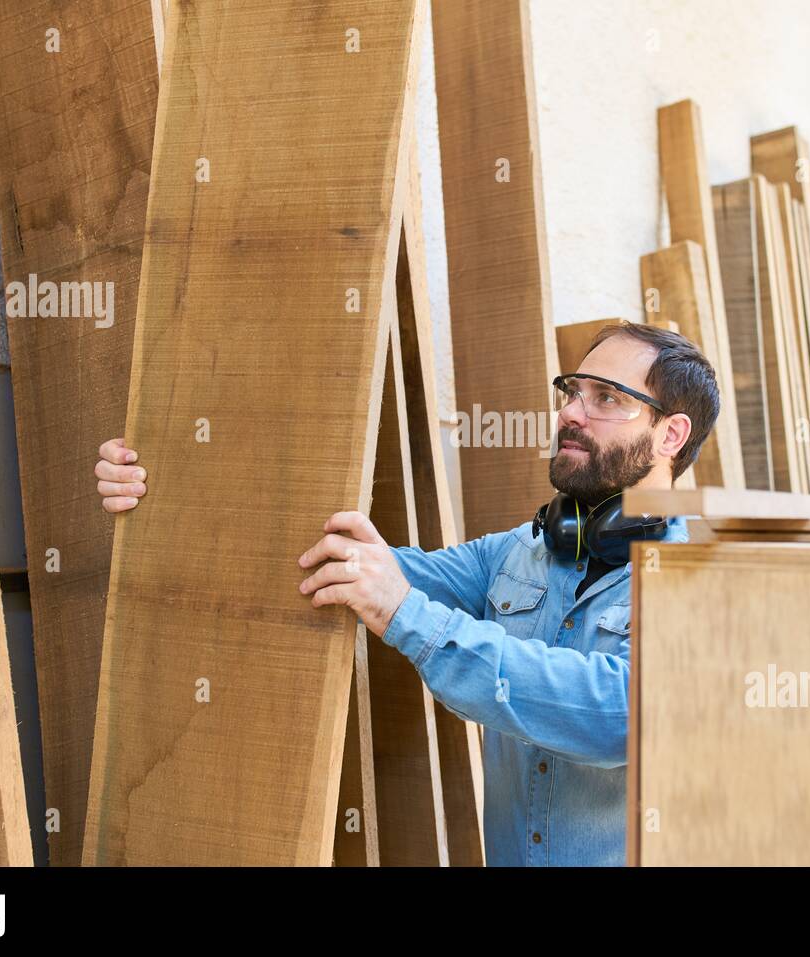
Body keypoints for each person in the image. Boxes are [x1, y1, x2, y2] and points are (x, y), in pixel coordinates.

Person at [93, 320, 721, 865]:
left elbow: (619, 715)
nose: (571, 413)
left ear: (670, 436)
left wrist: (407, 615)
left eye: (607, 398)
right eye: (572, 391)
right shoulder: (521, 553)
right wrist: (164, 486)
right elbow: (346, 565)